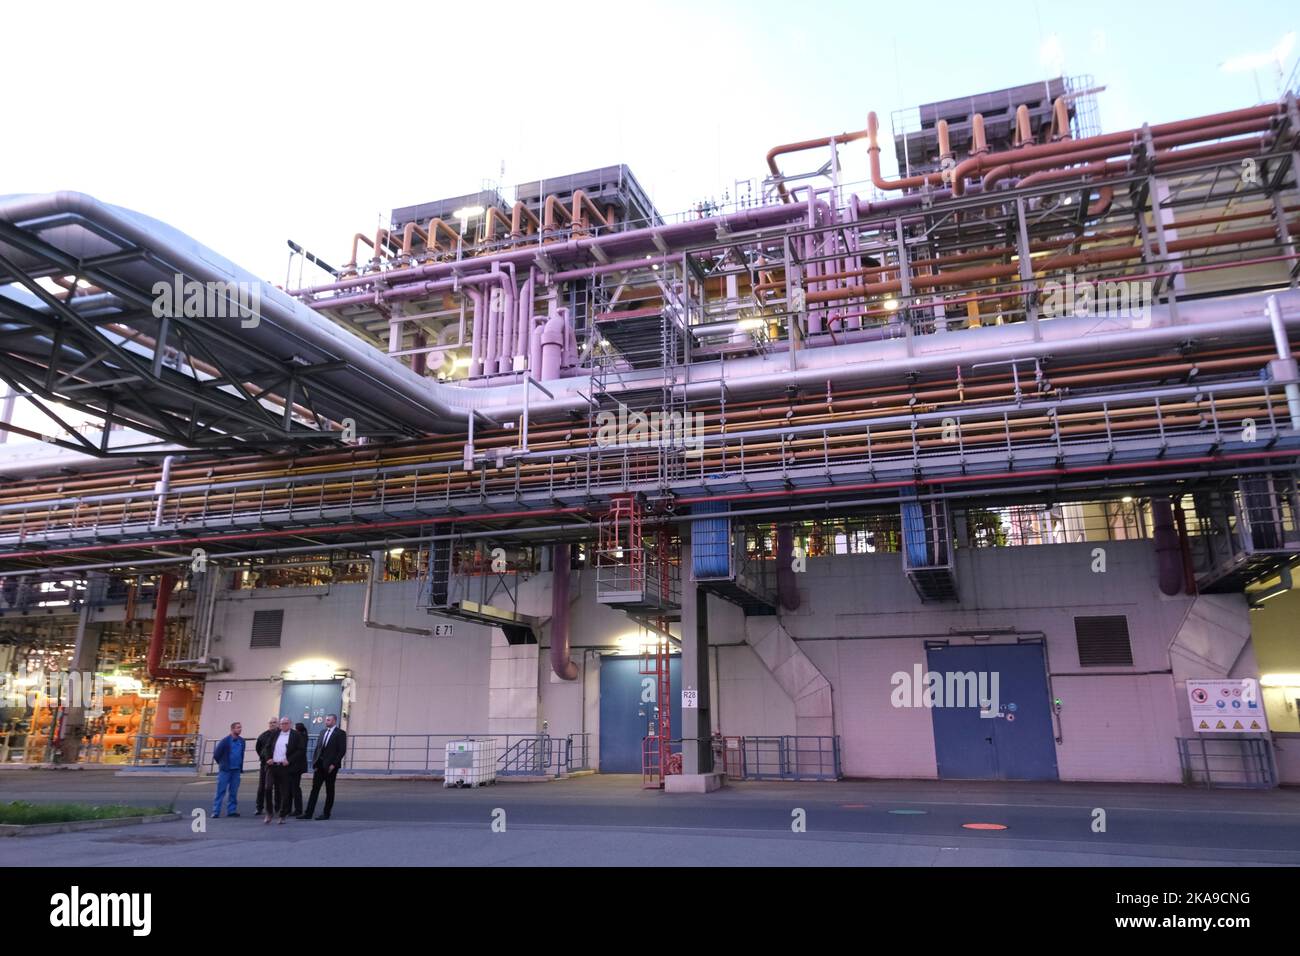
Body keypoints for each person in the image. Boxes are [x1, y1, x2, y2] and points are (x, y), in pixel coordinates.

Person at [302, 713, 346, 821]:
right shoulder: (322, 732)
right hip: (319, 766)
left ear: (334, 721)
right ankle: (308, 813)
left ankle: (326, 813)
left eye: (329, 720)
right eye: (326, 720)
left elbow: (341, 751)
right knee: (314, 789)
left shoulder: (340, 733)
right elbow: (318, 748)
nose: (326, 721)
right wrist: (315, 762)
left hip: (331, 767)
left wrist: (333, 764)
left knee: (329, 790)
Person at [264, 716, 304, 825]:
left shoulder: (296, 735)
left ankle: (282, 815)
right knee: (267, 788)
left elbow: (300, 750)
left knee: (285, 792)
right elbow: (267, 747)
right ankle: (269, 812)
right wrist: (268, 758)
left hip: (285, 767)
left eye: (286, 723)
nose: (284, 725)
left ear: (290, 724)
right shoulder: (275, 734)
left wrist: (289, 760)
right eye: (282, 724)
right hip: (272, 766)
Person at [210, 721, 245, 818]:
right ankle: (216, 811)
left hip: (236, 770)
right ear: (232, 729)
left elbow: (241, 754)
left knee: (233, 792)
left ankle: (231, 810)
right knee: (220, 791)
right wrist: (223, 764)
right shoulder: (225, 741)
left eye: (240, 727)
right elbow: (216, 754)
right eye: (238, 727)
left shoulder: (242, 741)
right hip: (225, 770)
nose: (240, 729)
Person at [254, 718, 278, 816]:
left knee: (278, 787)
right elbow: (258, 749)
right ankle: (259, 807)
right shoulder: (263, 736)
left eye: (274, 722)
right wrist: (265, 758)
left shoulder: (281, 735)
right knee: (262, 787)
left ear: (278, 724)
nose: (272, 724)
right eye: (270, 723)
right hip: (265, 765)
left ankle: (278, 807)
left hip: (278, 765)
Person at [289, 722, 309, 818]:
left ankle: (297, 809)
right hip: (298, 766)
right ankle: (296, 808)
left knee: (294, 787)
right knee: (294, 787)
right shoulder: (304, 736)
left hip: (295, 766)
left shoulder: (298, 737)